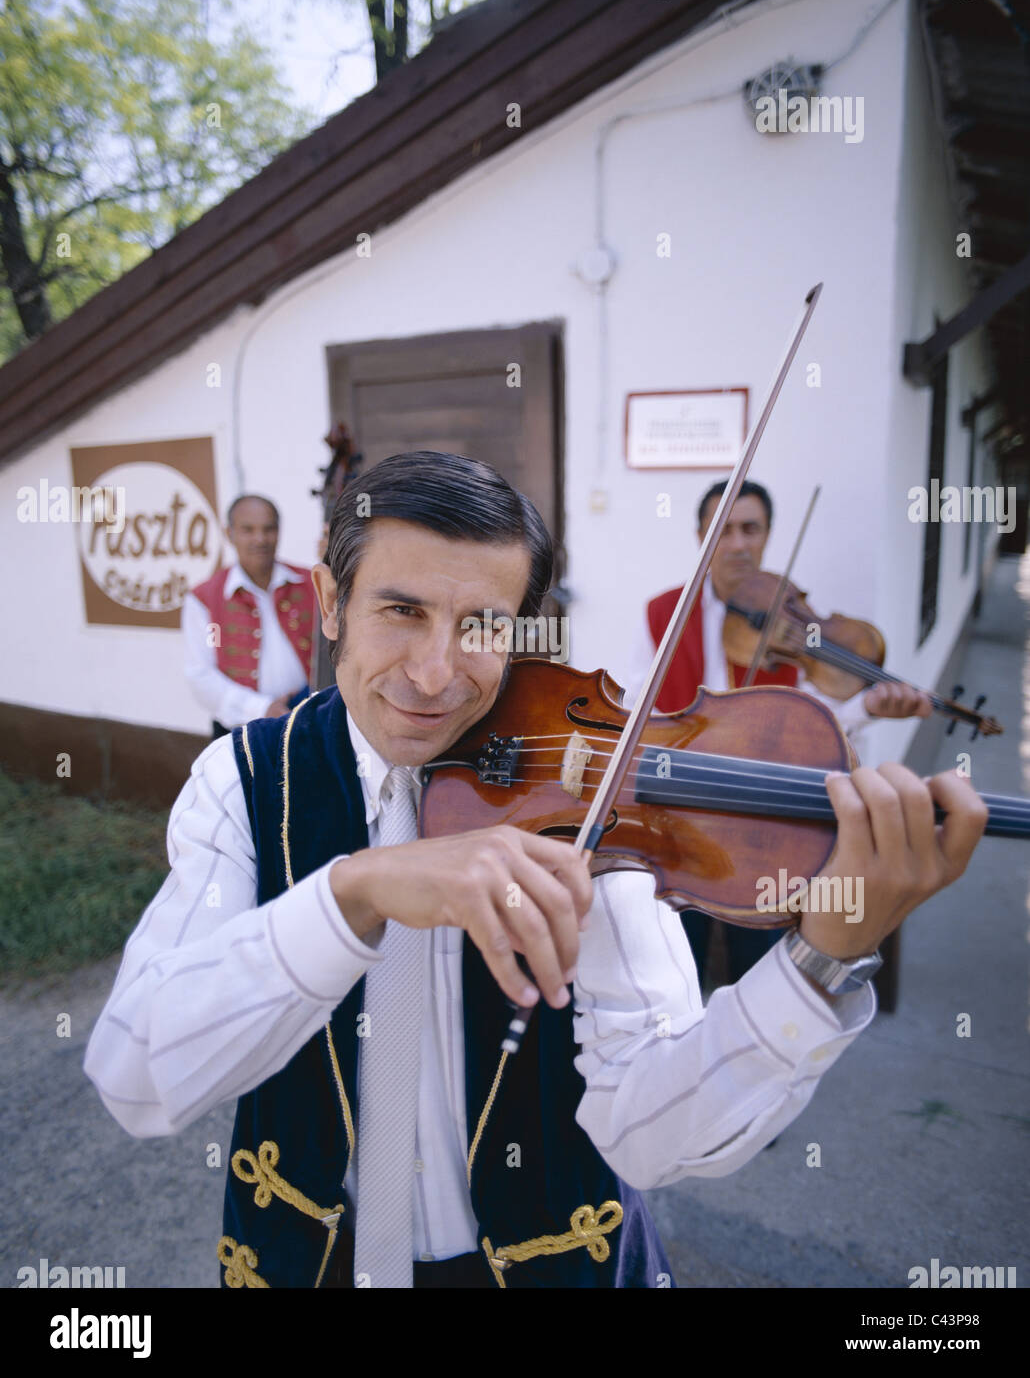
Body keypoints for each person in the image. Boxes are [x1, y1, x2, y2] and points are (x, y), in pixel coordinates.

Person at [85, 451, 986, 1289]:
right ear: (330, 603)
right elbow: (135, 1077)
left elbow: (651, 1136)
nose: (436, 674)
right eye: (401, 611)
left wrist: (823, 959)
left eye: (481, 625)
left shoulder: (581, 802)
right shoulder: (245, 782)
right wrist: (349, 896)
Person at [623, 479, 934, 986]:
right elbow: (639, 707)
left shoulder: (790, 618)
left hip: (764, 816)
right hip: (683, 812)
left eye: (751, 529)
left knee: (763, 954)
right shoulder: (663, 611)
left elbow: (818, 718)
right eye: (723, 531)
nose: (739, 544)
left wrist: (869, 707)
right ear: (702, 536)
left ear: (767, 536)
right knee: (676, 950)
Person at [183, 494, 316, 737]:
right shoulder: (205, 600)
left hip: (309, 721)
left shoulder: (311, 583)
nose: (260, 539)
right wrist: (263, 708)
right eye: (248, 530)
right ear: (229, 533)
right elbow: (200, 675)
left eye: (268, 529)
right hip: (243, 732)